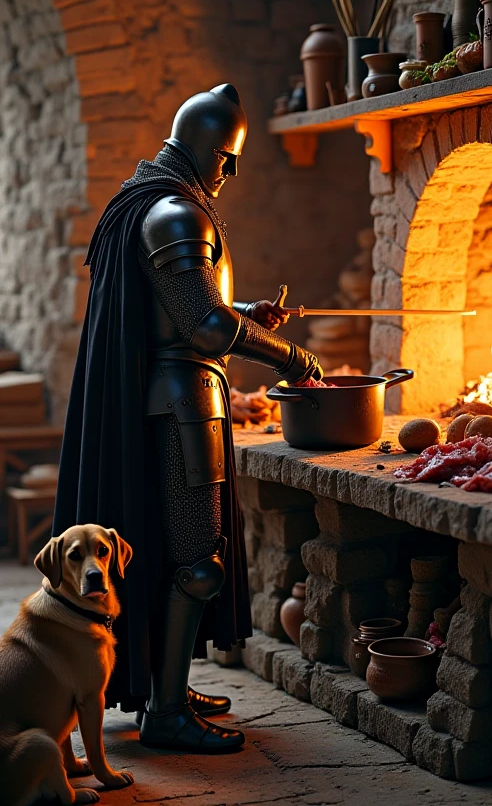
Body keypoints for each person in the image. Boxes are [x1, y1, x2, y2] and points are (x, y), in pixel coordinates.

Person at [53, 84, 322, 753]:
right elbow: (203, 326)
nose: (228, 175)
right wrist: (290, 356)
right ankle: (167, 713)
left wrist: (246, 311)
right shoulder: (177, 212)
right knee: (196, 563)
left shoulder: (145, 198)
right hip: (182, 406)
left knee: (181, 555)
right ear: (207, 148)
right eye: (227, 159)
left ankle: (166, 688)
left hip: (170, 397)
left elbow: (180, 306)